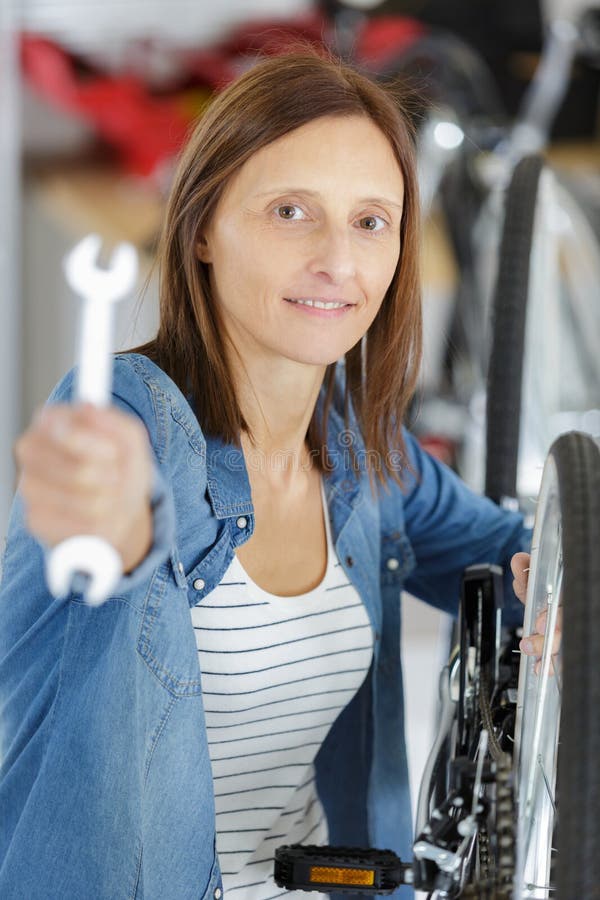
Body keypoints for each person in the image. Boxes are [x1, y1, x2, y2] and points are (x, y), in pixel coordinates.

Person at [0, 50, 535, 900]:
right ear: (204, 227)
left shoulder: (365, 454)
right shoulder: (133, 420)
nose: (339, 260)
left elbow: (520, 556)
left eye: (371, 221)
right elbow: (128, 516)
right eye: (292, 211)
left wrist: (548, 584)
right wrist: (109, 519)